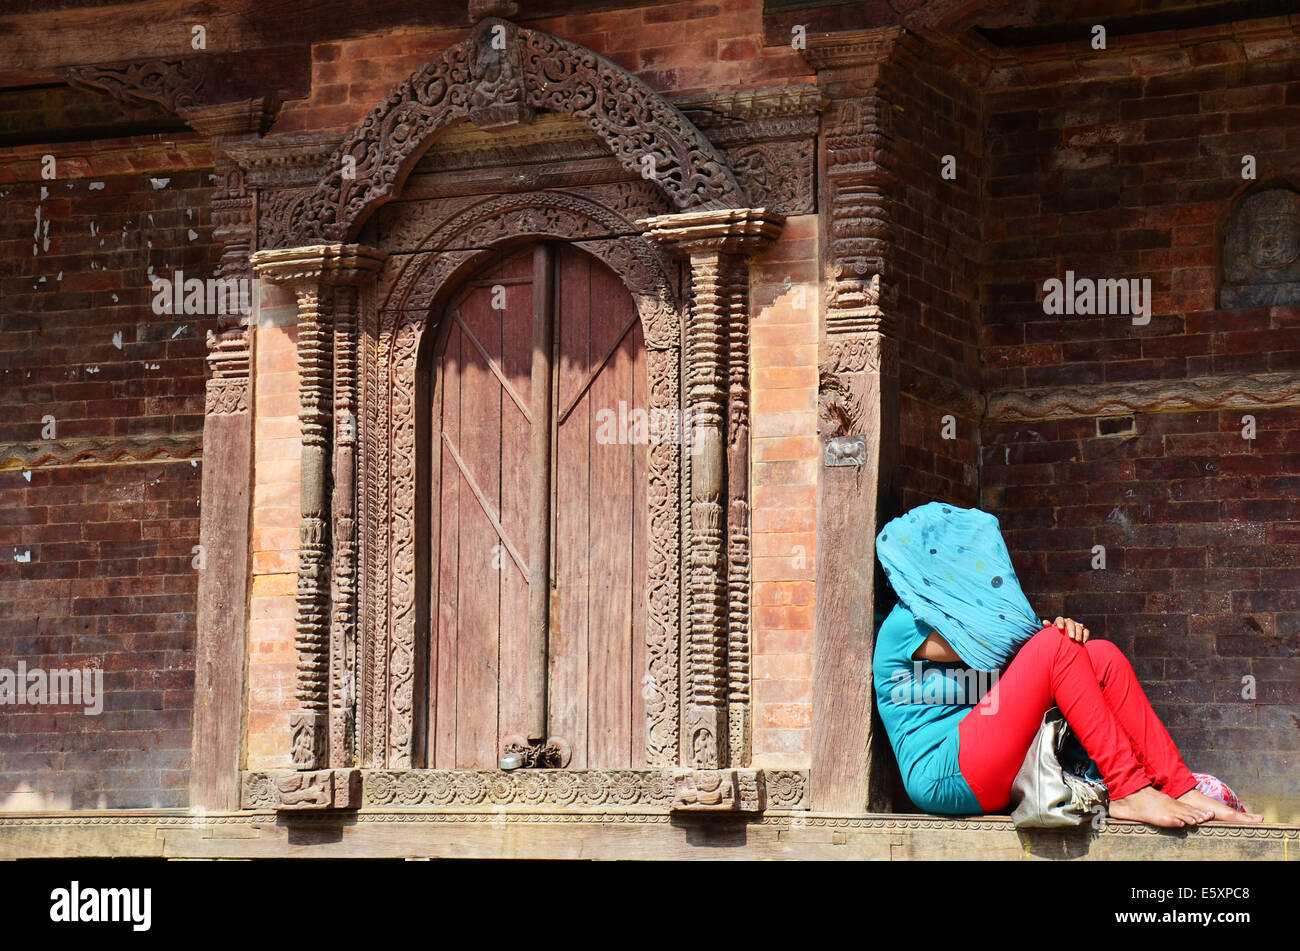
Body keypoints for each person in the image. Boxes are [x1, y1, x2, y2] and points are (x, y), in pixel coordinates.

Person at [873, 502, 1263, 828]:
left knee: (1101, 655)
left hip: (988, 757)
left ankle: (1178, 785)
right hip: (945, 774)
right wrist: (1051, 639)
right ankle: (1128, 791)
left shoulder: (959, 616)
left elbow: (1020, 655)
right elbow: (999, 644)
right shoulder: (906, 625)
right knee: (1058, 646)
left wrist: (1055, 641)